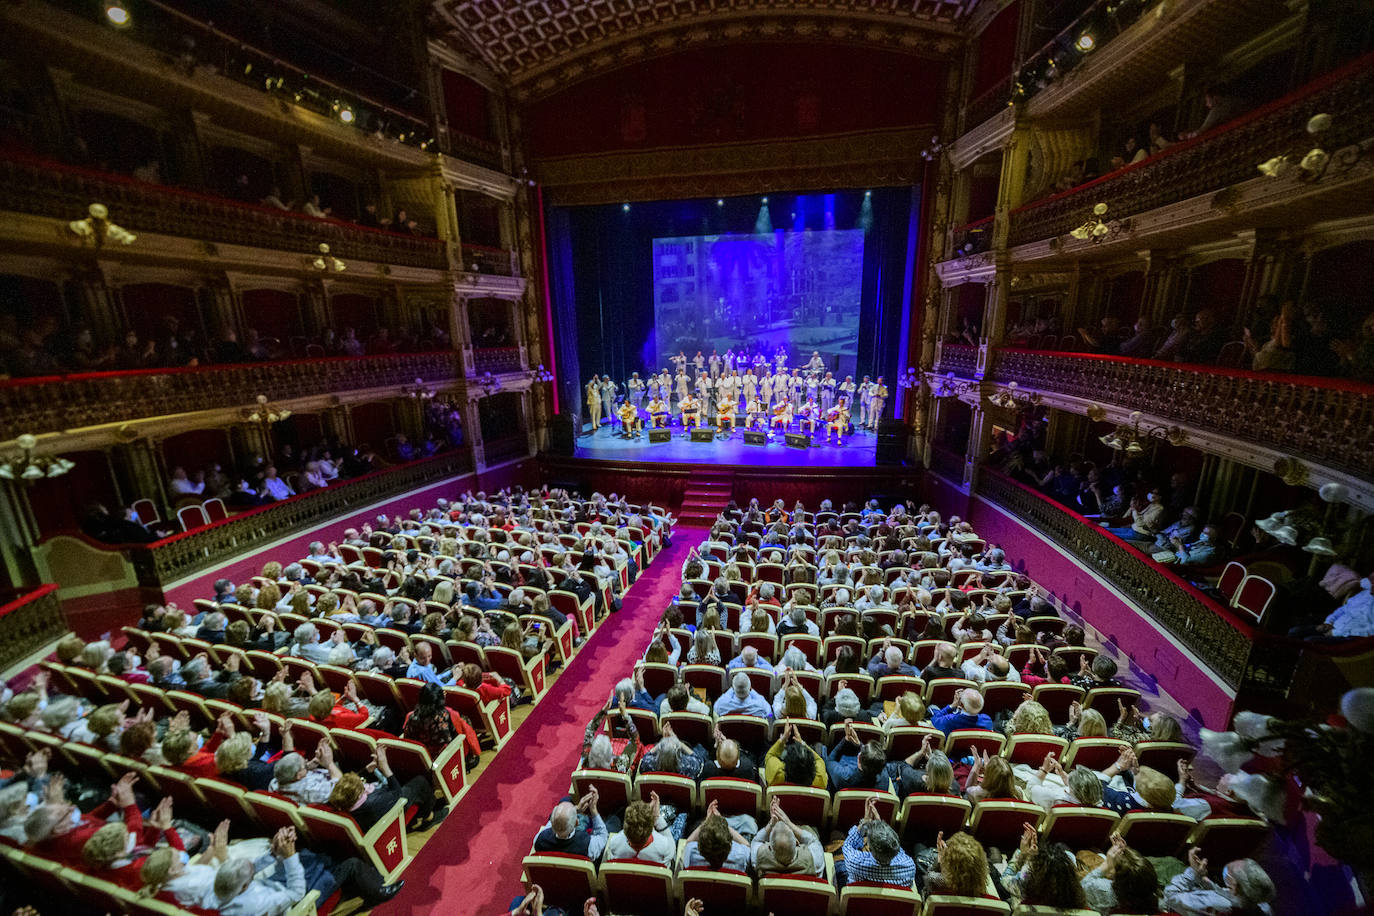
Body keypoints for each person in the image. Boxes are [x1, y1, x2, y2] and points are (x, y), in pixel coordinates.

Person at [1163, 847, 1275, 916]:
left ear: (1235, 888)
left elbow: (1170, 896)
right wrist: (1202, 877)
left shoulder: (1217, 904)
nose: (1230, 865)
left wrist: (1192, 872)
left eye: (1230, 869)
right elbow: (1226, 894)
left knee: (1171, 864)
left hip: (1171, 908)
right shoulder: (1264, 907)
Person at [841, 796, 915, 887]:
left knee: (836, 836)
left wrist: (864, 822)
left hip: (861, 899)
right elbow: (898, 850)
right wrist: (880, 827)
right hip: (891, 901)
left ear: (870, 849)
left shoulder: (855, 862)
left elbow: (847, 845)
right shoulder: (909, 866)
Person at [752, 799, 825, 876]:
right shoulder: (813, 859)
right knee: (813, 830)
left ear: (769, 846)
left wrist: (772, 823)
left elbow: (756, 841)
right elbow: (813, 840)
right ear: (797, 843)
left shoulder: (758, 858)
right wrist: (789, 823)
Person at [533, 793, 607, 859]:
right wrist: (594, 810)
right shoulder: (589, 846)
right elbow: (603, 836)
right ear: (576, 823)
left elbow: (556, 820)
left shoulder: (539, 840)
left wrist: (575, 810)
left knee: (565, 799)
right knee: (614, 820)